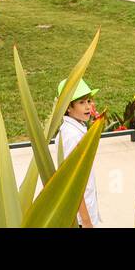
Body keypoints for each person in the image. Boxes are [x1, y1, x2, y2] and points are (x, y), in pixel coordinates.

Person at [55, 78, 100, 227]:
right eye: (81, 103)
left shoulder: (77, 129)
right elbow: (72, 182)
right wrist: (87, 222)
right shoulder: (72, 136)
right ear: (68, 107)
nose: (88, 107)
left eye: (88, 101)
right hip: (80, 218)